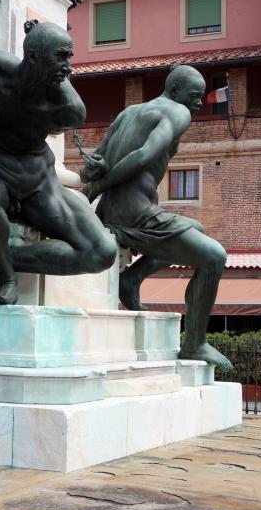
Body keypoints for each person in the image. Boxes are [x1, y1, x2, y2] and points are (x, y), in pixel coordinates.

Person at [0, 20, 116, 305]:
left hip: (38, 181)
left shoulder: (67, 107)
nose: (68, 67)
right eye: (61, 57)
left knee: (101, 252)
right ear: (32, 57)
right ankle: (7, 278)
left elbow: (56, 124)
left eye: (69, 57)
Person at [81, 65, 231, 371]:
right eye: (194, 95)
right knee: (214, 257)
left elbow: (91, 165)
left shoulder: (128, 113)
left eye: (201, 97)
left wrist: (92, 182)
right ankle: (195, 344)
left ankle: (131, 279)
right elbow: (144, 156)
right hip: (136, 215)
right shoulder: (177, 112)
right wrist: (95, 187)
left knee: (198, 227)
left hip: (110, 212)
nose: (198, 103)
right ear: (174, 90)